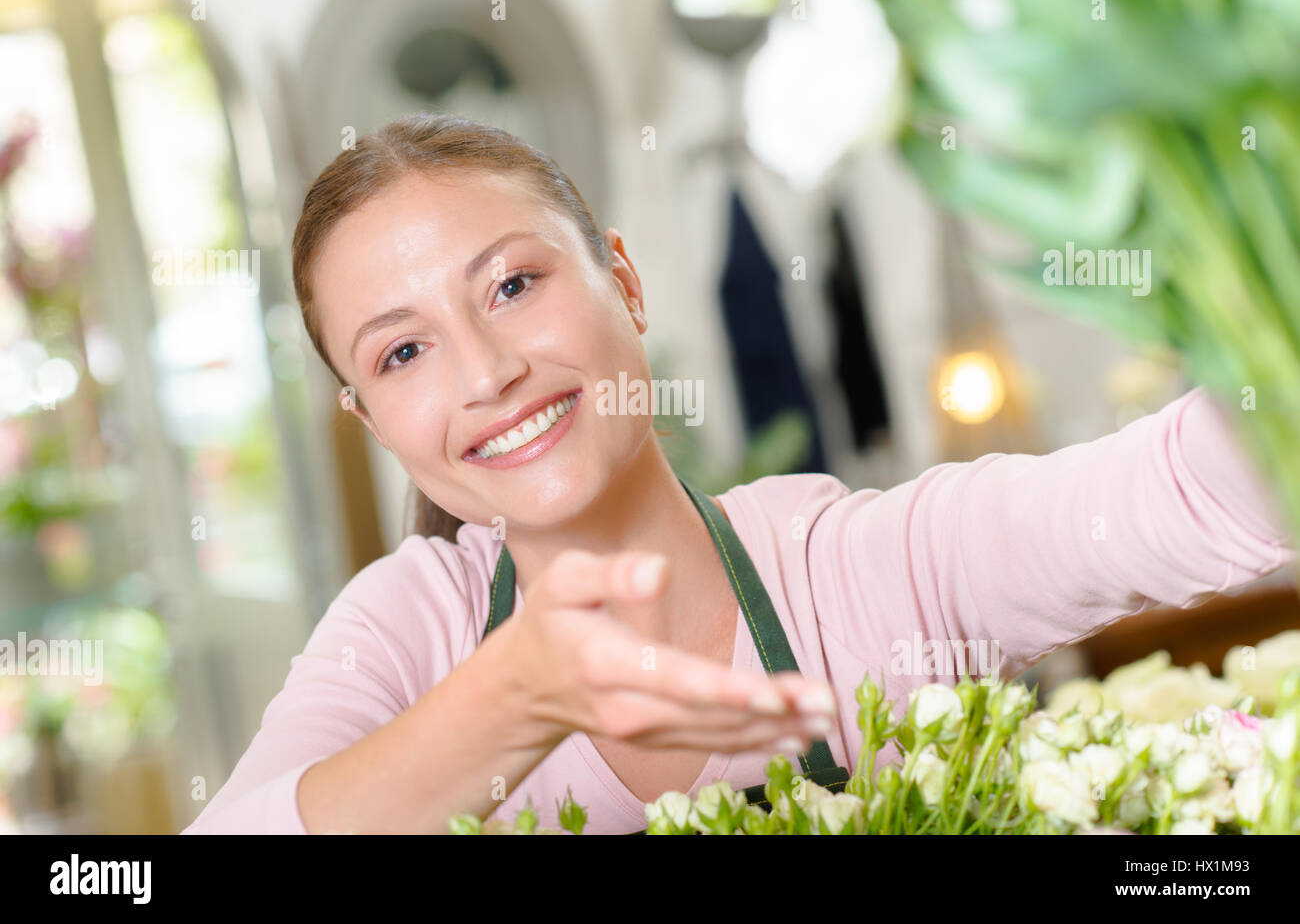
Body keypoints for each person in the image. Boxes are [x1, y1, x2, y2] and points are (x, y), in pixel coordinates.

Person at [182, 112, 1296, 835]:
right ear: (370, 417)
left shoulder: (863, 574)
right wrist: (508, 703)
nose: (487, 371)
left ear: (622, 281)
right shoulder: (408, 635)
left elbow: (1189, 488)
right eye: (403, 351)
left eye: (513, 285)